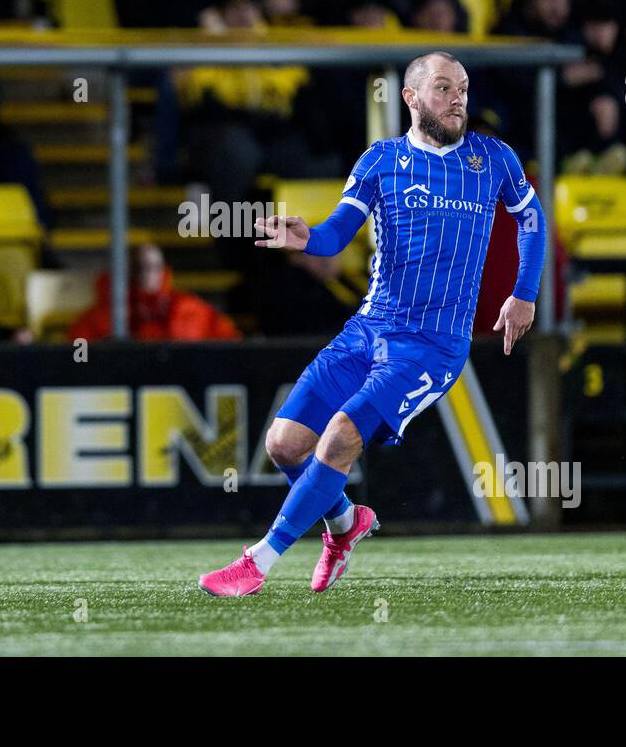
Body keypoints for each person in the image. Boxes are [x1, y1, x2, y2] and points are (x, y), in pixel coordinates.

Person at [198, 51, 545, 596]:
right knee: (284, 444)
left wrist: (523, 294)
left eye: (463, 88)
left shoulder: (492, 158)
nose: (458, 98)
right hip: (369, 328)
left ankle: (256, 564)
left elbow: (532, 220)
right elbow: (338, 234)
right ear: (410, 98)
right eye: (443, 87)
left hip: (432, 345)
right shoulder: (381, 161)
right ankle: (343, 523)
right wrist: (306, 237)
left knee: (339, 436)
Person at [67, 244, 240, 341]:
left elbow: (229, 340)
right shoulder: (106, 313)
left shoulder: (188, 308)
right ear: (127, 271)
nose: (148, 273)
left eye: (154, 267)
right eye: (139, 268)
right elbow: (76, 354)